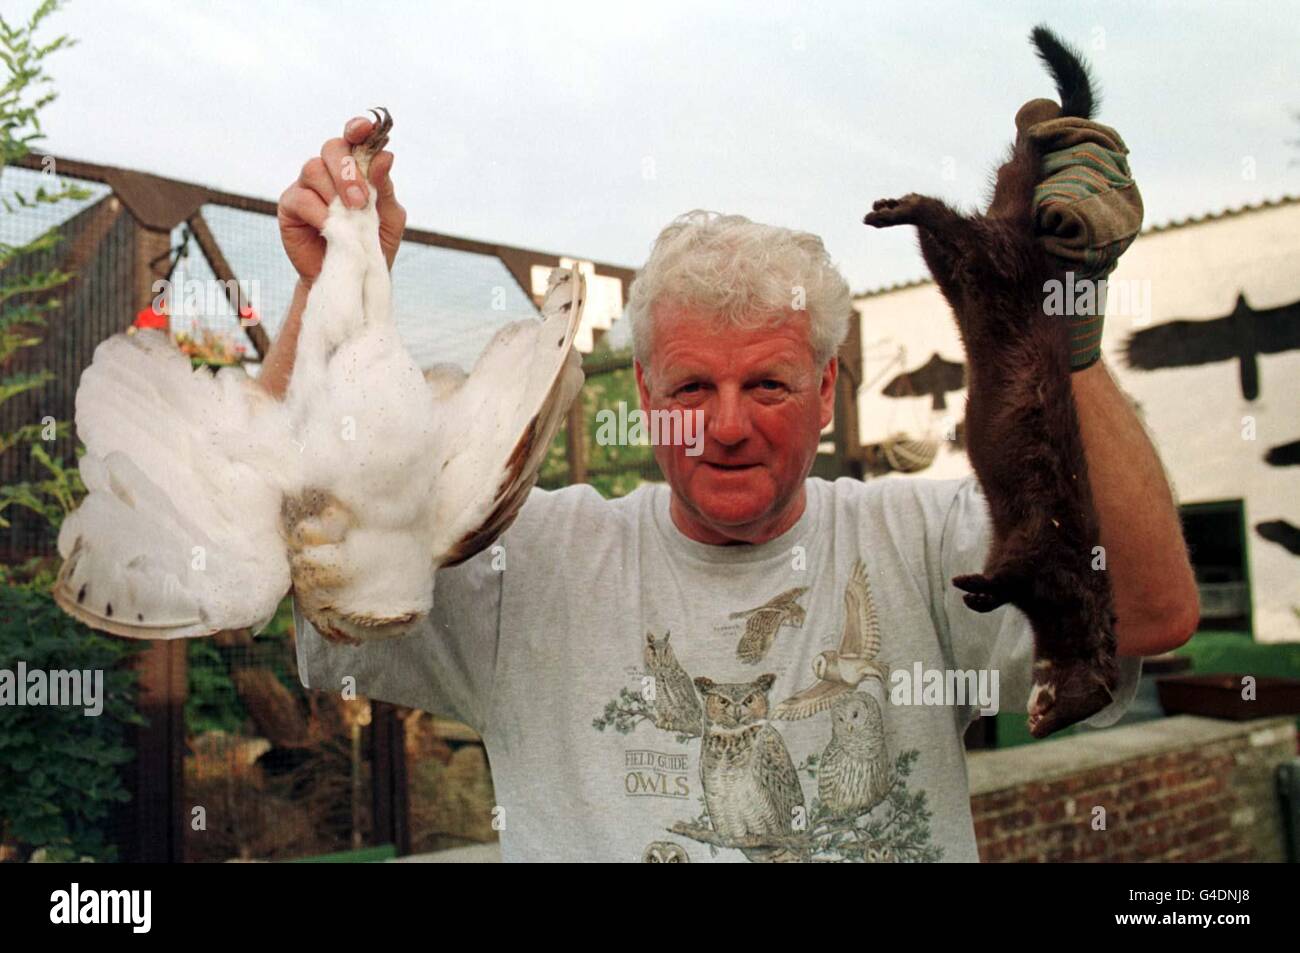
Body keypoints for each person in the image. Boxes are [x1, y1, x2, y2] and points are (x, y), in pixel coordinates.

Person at [263, 115, 1198, 863]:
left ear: (827, 390)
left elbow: (1150, 610)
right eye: (690, 387)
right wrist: (333, 286)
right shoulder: (529, 567)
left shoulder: (923, 541)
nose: (727, 425)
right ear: (644, 393)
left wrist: (1056, 334)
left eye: (769, 385)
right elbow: (285, 551)